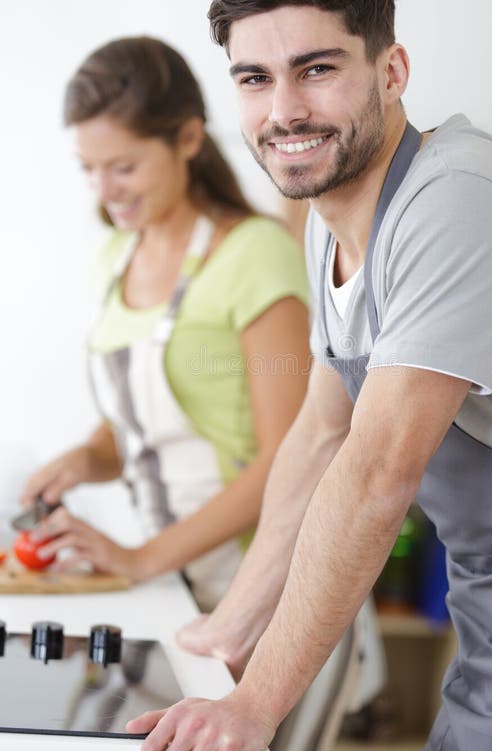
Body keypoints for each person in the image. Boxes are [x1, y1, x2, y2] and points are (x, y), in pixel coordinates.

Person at [126, 0, 492, 751]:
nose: (284, 112)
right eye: (255, 79)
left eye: (318, 69)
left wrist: (256, 705)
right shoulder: (334, 221)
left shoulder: (456, 202)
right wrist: (228, 631)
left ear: (392, 72)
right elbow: (319, 435)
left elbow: (378, 470)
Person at [21, 35, 311, 612]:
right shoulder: (117, 258)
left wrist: (143, 558)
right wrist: (90, 457)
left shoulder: (255, 255)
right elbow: (141, 425)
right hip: (167, 584)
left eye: (123, 167)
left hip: (259, 590)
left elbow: (292, 458)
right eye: (90, 170)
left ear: (187, 138)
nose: (105, 193)